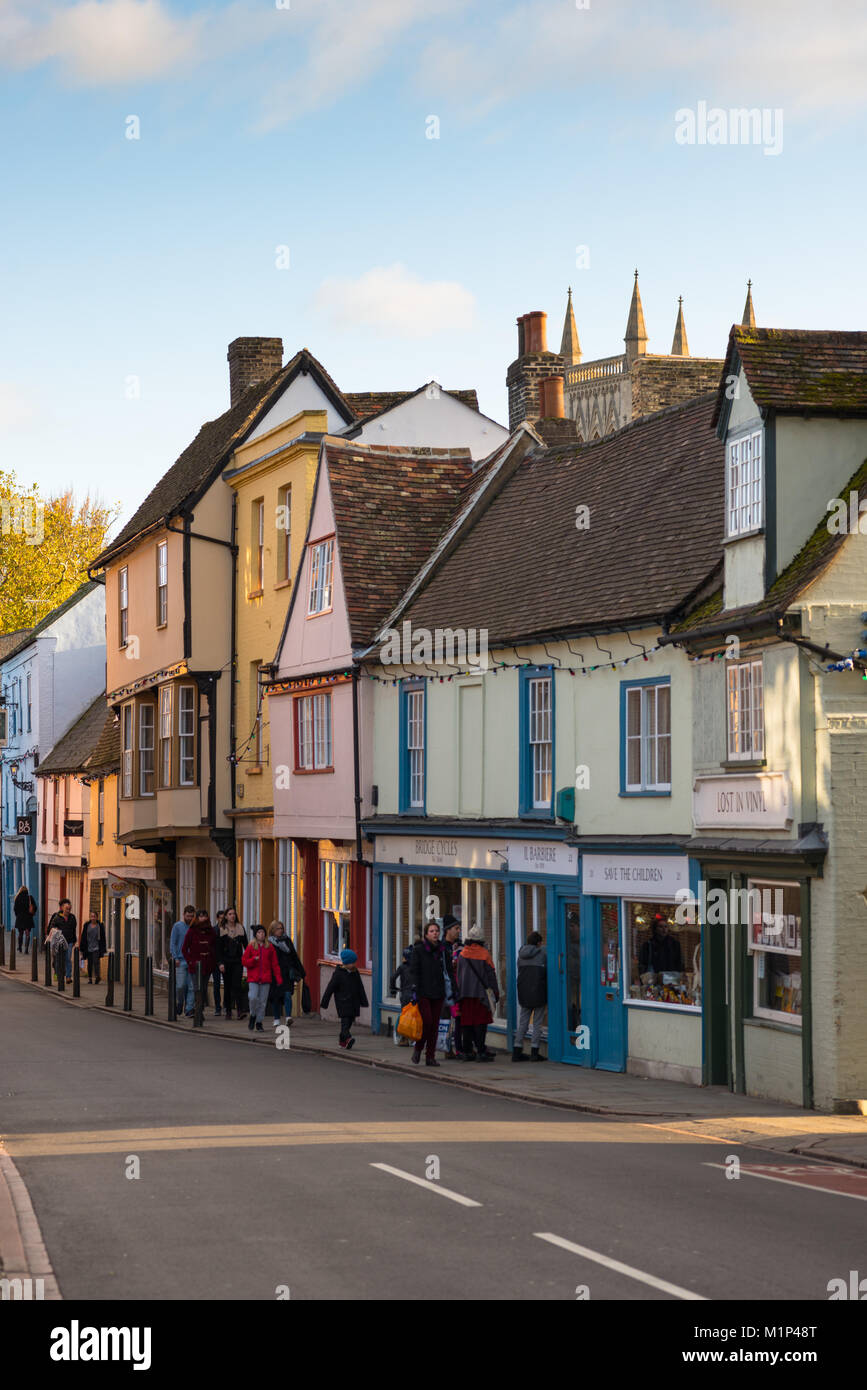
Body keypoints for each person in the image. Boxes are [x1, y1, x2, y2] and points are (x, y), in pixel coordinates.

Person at [454, 924, 499, 1062]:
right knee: (480, 1024)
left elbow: (458, 975)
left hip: (465, 995)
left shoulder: (462, 954)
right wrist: (495, 992)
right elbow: (491, 975)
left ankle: (467, 1051)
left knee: (466, 1023)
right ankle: (481, 1051)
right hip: (480, 995)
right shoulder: (484, 954)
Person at [408, 921, 447, 1067]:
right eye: (432, 931)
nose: (435, 933)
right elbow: (414, 971)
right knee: (427, 1022)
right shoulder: (419, 950)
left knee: (434, 1025)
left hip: (438, 992)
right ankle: (418, 1048)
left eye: (437, 931)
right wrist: (415, 989)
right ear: (426, 934)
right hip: (423, 992)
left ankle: (430, 1056)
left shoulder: (442, 950)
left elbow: (447, 970)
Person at [321, 948, 368, 1049]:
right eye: (352, 963)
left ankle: (342, 1042)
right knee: (345, 1021)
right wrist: (324, 1002)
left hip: (354, 1002)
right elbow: (330, 988)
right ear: (346, 963)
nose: (354, 965)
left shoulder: (355, 973)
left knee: (350, 1021)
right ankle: (348, 1038)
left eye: (354, 962)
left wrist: (363, 1001)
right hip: (343, 1002)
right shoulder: (338, 974)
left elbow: (360, 987)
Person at [513, 930, 547, 1062]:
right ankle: (534, 1052)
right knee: (537, 1023)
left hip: (524, 992)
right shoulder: (542, 954)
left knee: (523, 1023)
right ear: (538, 943)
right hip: (538, 992)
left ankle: (517, 1051)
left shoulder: (520, 955)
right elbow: (546, 972)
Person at [242, 926, 282, 1032]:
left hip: (265, 979)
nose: (262, 934)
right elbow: (244, 961)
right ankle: (253, 1015)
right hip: (253, 978)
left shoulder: (270, 947)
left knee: (263, 1002)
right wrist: (253, 960)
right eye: (259, 932)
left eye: (263, 932)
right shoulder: (251, 946)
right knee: (253, 997)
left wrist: (278, 978)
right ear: (256, 934)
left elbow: (275, 964)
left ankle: (259, 1022)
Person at [268, 921, 304, 1028]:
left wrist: (300, 970)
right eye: (278, 929)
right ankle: (277, 1018)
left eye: (281, 928)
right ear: (273, 930)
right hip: (275, 974)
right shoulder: (269, 943)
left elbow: (293, 955)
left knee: (287, 994)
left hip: (287, 972)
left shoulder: (287, 940)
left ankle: (288, 1017)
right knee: (276, 996)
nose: (281, 930)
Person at [182, 910, 218, 1018]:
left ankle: (200, 1009)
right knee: (197, 988)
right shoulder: (192, 931)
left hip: (207, 965)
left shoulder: (210, 931)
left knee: (204, 988)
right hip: (195, 966)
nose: (203, 918)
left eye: (205, 916)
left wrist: (212, 960)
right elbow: (184, 949)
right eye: (201, 916)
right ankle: (198, 1012)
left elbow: (215, 946)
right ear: (197, 918)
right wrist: (190, 961)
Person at [217, 910, 248, 1020]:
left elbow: (246, 945)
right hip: (226, 961)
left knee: (237, 985)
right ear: (226, 916)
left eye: (234, 914)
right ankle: (228, 1010)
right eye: (230, 914)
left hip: (237, 961)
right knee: (228, 986)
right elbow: (218, 949)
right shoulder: (221, 929)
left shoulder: (240, 928)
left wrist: (247, 958)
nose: (232, 916)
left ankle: (240, 1010)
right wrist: (220, 963)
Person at [440, 916, 463, 1059]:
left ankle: (447, 1048)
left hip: (453, 987)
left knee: (451, 1019)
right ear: (448, 930)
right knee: (445, 1019)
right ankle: (444, 1048)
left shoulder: (456, 946)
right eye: (456, 928)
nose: (459, 931)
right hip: (444, 988)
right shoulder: (442, 947)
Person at [170, 905, 197, 1016]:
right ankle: (180, 1002)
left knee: (191, 986)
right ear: (184, 915)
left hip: (192, 961)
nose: (189, 918)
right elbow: (173, 942)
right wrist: (175, 957)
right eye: (188, 916)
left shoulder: (195, 927)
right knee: (180, 985)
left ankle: (189, 1008)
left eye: (191, 916)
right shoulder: (177, 926)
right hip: (181, 960)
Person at [46, 899, 77, 981]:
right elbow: (50, 928)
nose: (68, 910)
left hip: (69, 941)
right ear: (62, 908)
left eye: (69, 909)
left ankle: (68, 976)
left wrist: (74, 940)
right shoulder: (56, 917)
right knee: (58, 959)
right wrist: (54, 928)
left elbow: (74, 930)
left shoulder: (72, 917)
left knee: (68, 958)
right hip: (59, 942)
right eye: (66, 908)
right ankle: (57, 974)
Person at [390, 946, 414, 1046]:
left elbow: (393, 977)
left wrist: (393, 989)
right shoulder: (417, 967)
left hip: (405, 994)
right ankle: (414, 1038)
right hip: (415, 994)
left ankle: (404, 1039)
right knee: (415, 1016)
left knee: (404, 1017)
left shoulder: (402, 967)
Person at [78, 910, 107, 984]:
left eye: (94, 916)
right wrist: (81, 947)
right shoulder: (87, 925)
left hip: (96, 947)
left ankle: (97, 977)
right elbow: (83, 936)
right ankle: (90, 978)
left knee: (96, 962)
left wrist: (103, 948)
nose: (93, 918)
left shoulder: (100, 926)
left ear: (97, 917)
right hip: (88, 947)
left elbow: (103, 938)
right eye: (91, 916)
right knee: (90, 963)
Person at [14, 885, 36, 954]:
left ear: (20, 891)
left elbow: (15, 909)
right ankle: (26, 949)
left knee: (20, 933)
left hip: (20, 918)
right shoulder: (30, 897)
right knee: (27, 934)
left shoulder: (17, 898)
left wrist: (18, 915)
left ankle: (20, 947)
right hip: (28, 918)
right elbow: (35, 907)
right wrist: (32, 914)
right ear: (26, 891)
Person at [46, 917, 68, 982]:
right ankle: (58, 974)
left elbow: (49, 942)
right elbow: (65, 945)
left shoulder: (53, 933)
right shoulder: (59, 933)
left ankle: (58, 974)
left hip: (56, 950)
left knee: (57, 962)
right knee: (58, 962)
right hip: (58, 950)